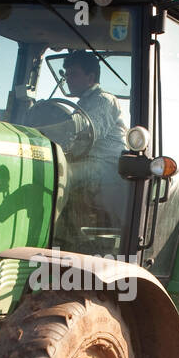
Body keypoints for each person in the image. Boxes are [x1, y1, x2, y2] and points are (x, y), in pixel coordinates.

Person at [58, 51, 129, 252]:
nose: (68, 79)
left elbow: (84, 132)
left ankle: (54, 230)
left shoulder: (105, 100)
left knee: (61, 175)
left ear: (90, 78)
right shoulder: (82, 103)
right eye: (66, 74)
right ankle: (70, 234)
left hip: (105, 166)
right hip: (87, 161)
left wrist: (50, 128)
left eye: (73, 74)